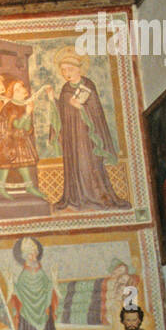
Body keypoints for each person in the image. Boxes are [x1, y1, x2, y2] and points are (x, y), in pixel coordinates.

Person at [49, 51, 131, 211]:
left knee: (89, 164)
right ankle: (76, 197)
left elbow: (96, 111)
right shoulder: (65, 89)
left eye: (70, 69)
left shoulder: (88, 85)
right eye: (64, 70)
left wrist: (81, 107)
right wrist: (53, 100)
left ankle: (97, 197)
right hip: (71, 137)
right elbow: (62, 113)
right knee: (75, 165)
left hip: (88, 136)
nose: (67, 73)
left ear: (79, 69)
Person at [0, 77, 48, 200]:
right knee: (7, 162)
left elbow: (27, 127)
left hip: (20, 139)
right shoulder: (10, 107)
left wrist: (28, 113)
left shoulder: (23, 106)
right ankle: (1, 187)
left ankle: (29, 186)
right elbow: (16, 125)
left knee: (23, 160)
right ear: (12, 94)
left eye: (22, 87)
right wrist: (27, 113)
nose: (21, 90)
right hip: (8, 139)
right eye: (17, 89)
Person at [8, 236, 58, 330]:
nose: (35, 255)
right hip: (28, 318)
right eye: (32, 253)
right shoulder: (24, 276)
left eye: (36, 252)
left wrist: (53, 278)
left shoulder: (41, 273)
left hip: (43, 313)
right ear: (26, 256)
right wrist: (11, 282)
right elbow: (19, 294)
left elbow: (48, 288)